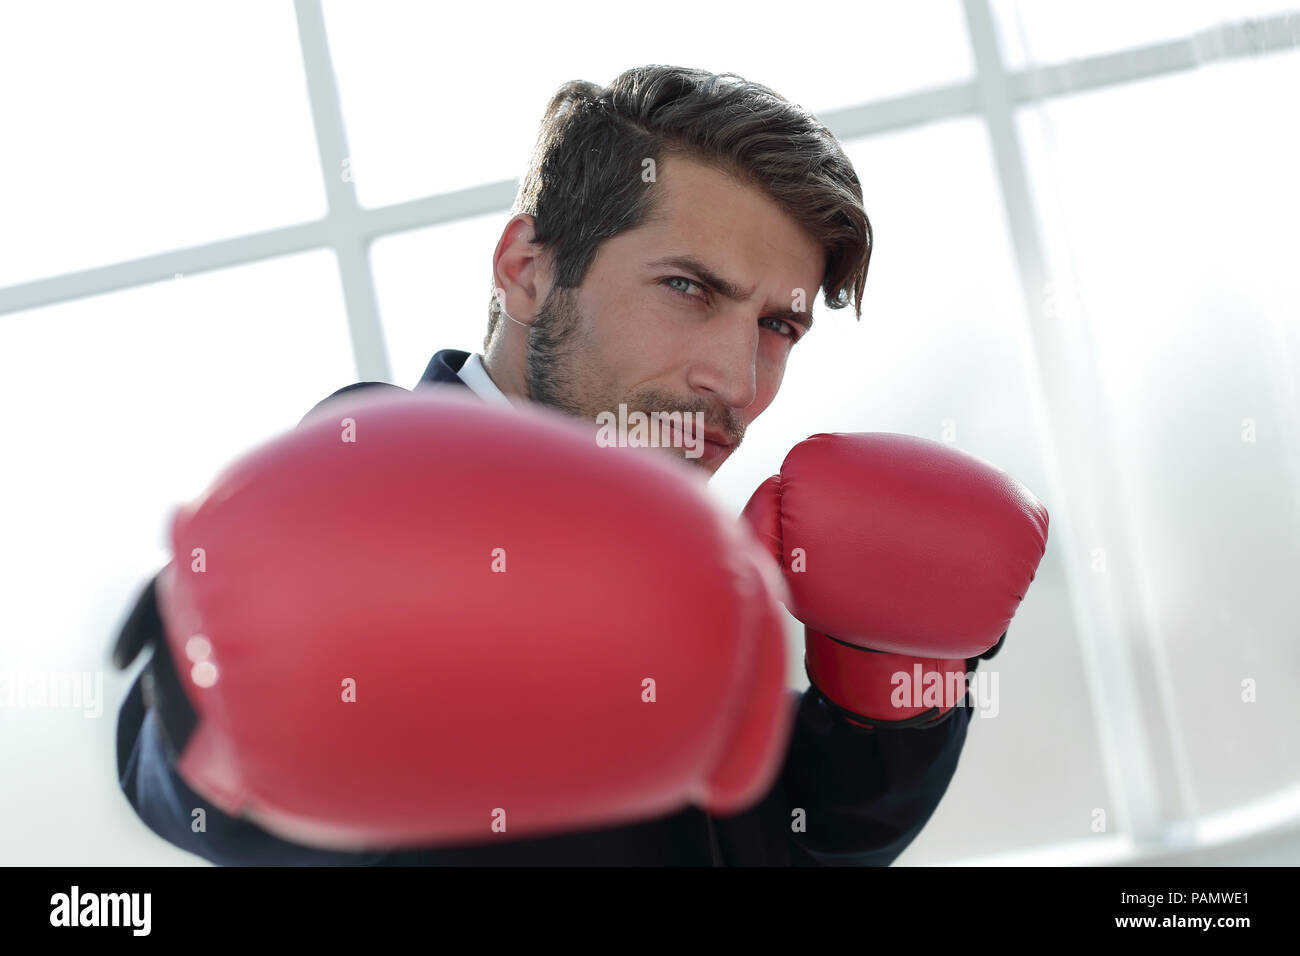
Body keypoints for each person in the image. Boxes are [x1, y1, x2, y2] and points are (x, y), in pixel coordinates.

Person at [112, 65, 1048, 866]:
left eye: (777, 326)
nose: (734, 379)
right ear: (526, 268)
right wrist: (217, 725)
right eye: (688, 288)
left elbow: (793, 845)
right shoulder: (372, 469)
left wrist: (894, 683)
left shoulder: (691, 575)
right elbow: (174, 771)